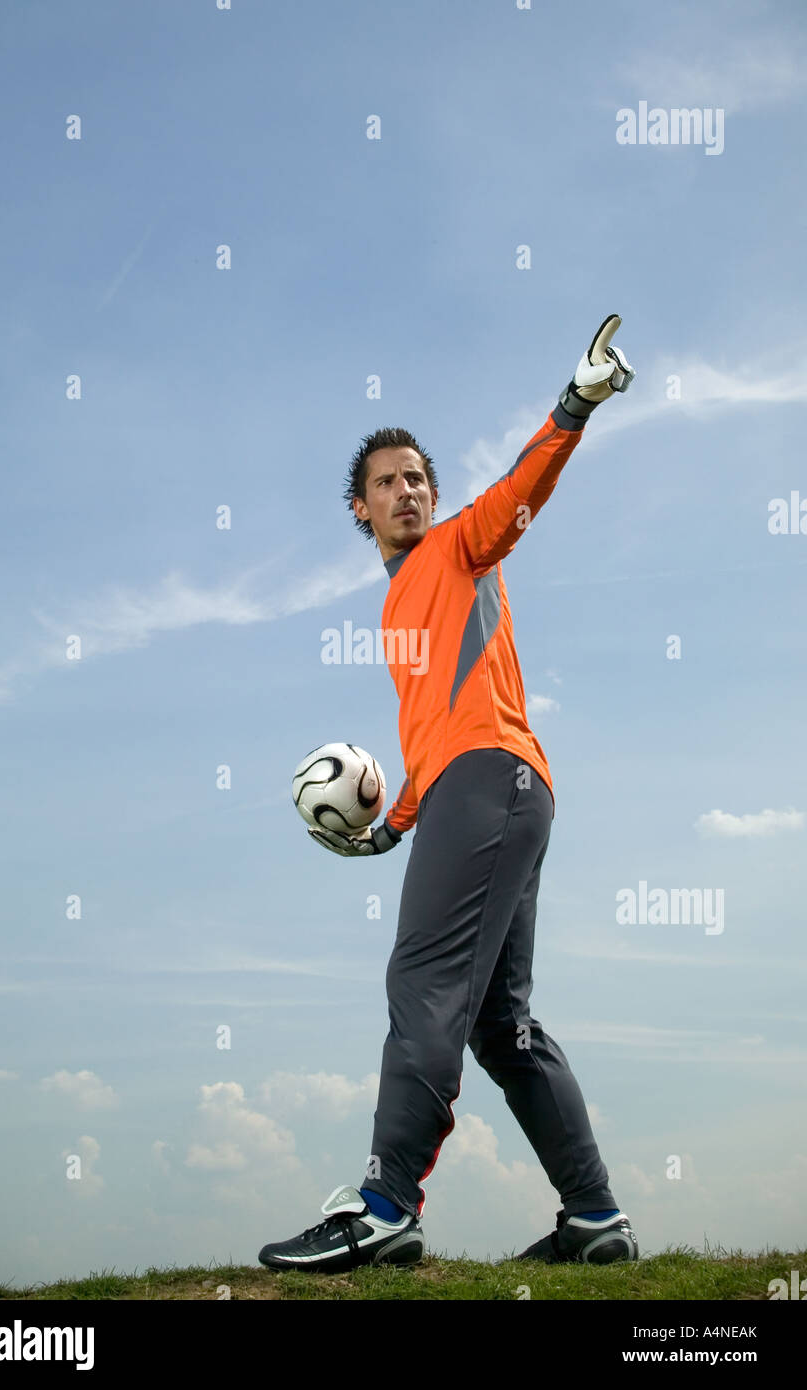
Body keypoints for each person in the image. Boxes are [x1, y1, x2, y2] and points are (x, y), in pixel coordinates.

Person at [259, 316, 640, 1273]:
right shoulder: (398, 606)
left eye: (417, 476)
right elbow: (429, 745)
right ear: (359, 508)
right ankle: (595, 1220)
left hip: (494, 778)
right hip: (496, 787)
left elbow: (519, 494)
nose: (407, 489)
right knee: (498, 1025)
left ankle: (385, 1204)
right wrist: (388, 829)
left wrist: (573, 406)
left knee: (421, 980)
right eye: (387, 481)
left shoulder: (460, 547)